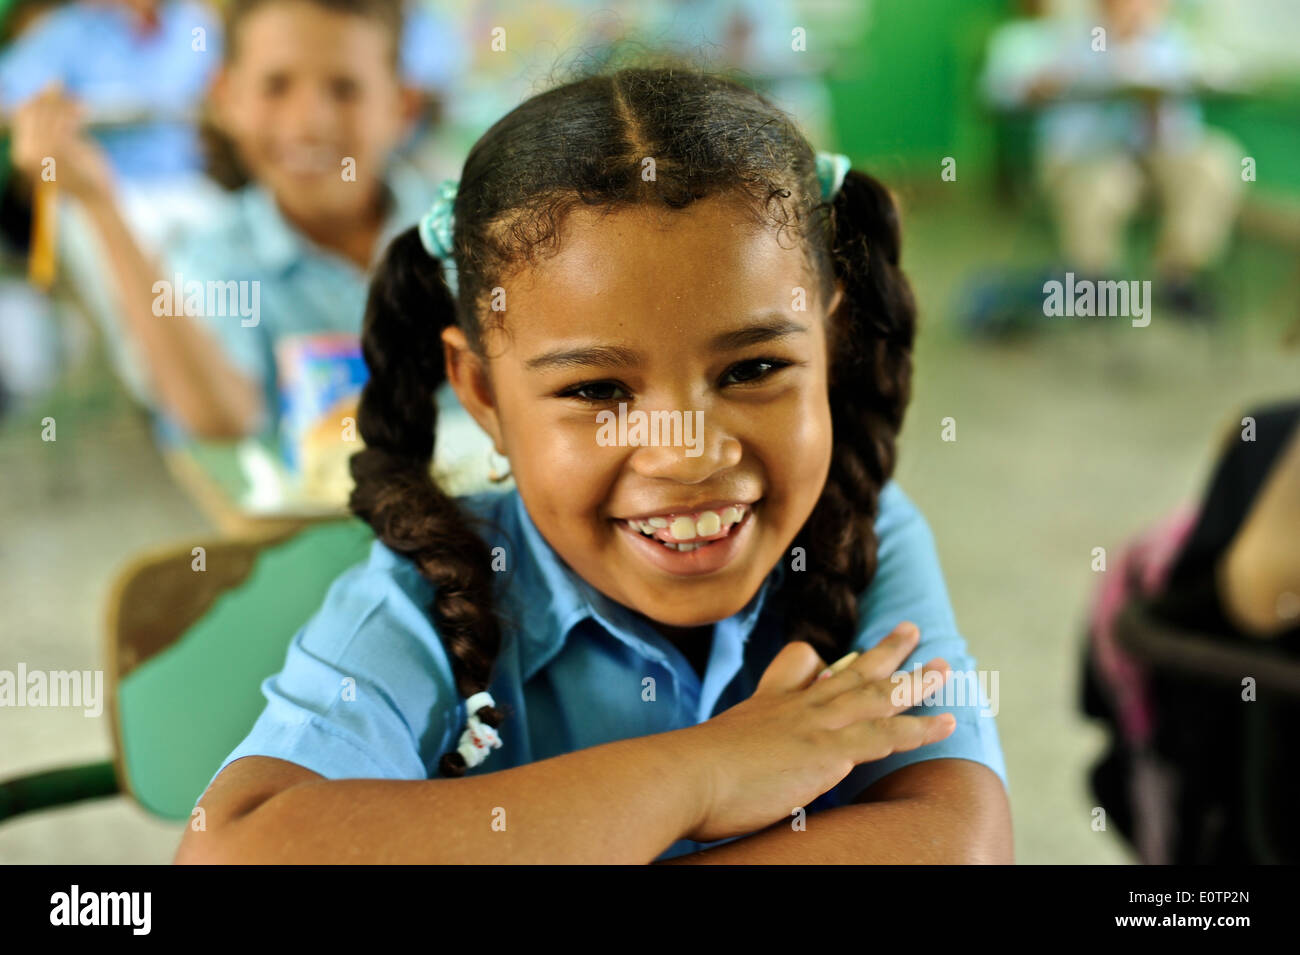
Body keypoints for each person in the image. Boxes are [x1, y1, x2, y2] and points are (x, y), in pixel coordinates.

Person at [177, 66, 1012, 864]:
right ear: (482, 396)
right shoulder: (425, 592)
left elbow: (957, 845)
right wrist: (708, 769)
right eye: (599, 388)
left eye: (753, 369)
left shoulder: (864, 526)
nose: (689, 454)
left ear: (829, 347)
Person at [6, 0, 472, 442]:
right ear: (225, 98)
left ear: (403, 107)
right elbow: (223, 418)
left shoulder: (472, 232)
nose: (308, 122)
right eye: (276, 86)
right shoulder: (216, 256)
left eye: (345, 89)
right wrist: (100, 204)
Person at [982, 0, 1244, 317]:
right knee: (1108, 183)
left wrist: (1154, 102)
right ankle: (1094, 284)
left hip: (1155, 152)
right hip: (1084, 155)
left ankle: (1178, 274)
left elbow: (1187, 118)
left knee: (1214, 164)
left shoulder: (1169, 41)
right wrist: (1040, 84)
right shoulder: (1062, 37)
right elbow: (998, 92)